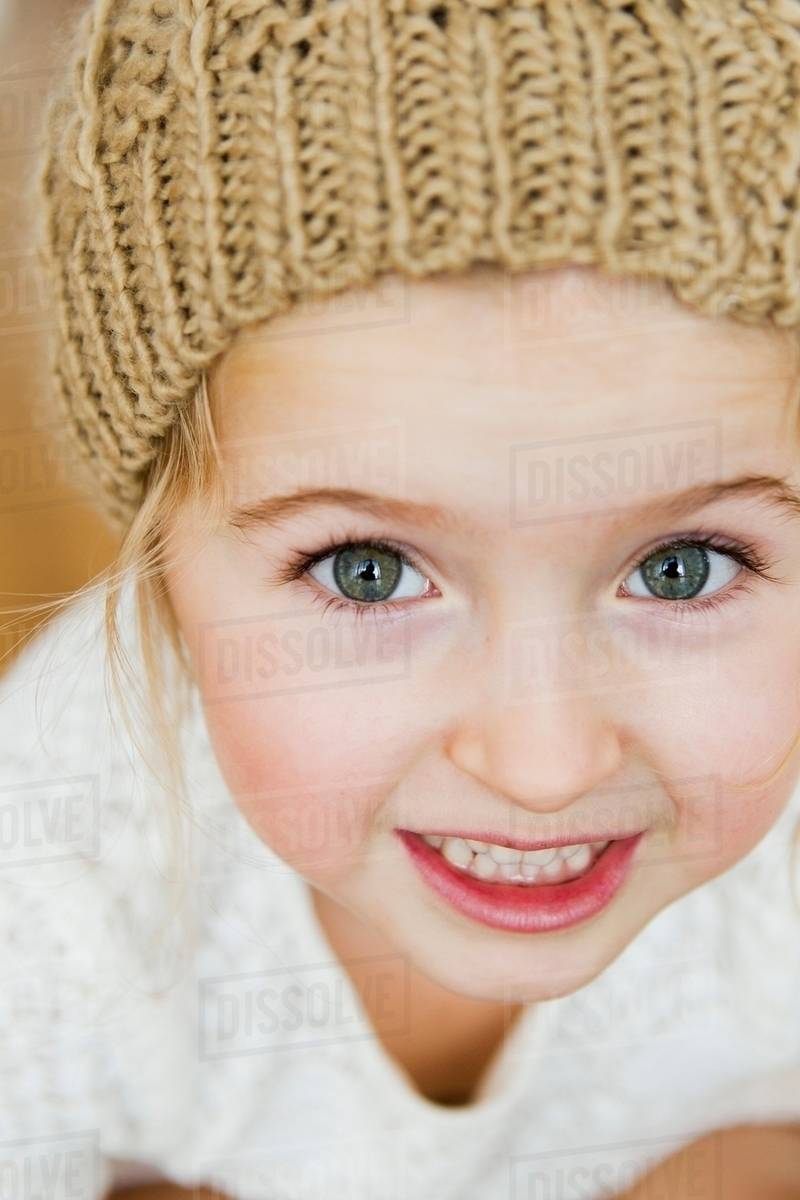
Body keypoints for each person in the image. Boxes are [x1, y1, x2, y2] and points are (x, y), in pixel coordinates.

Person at [2, 0, 800, 1196]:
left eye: (679, 568)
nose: (544, 764)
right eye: (364, 573)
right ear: (163, 574)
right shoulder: (53, 867)